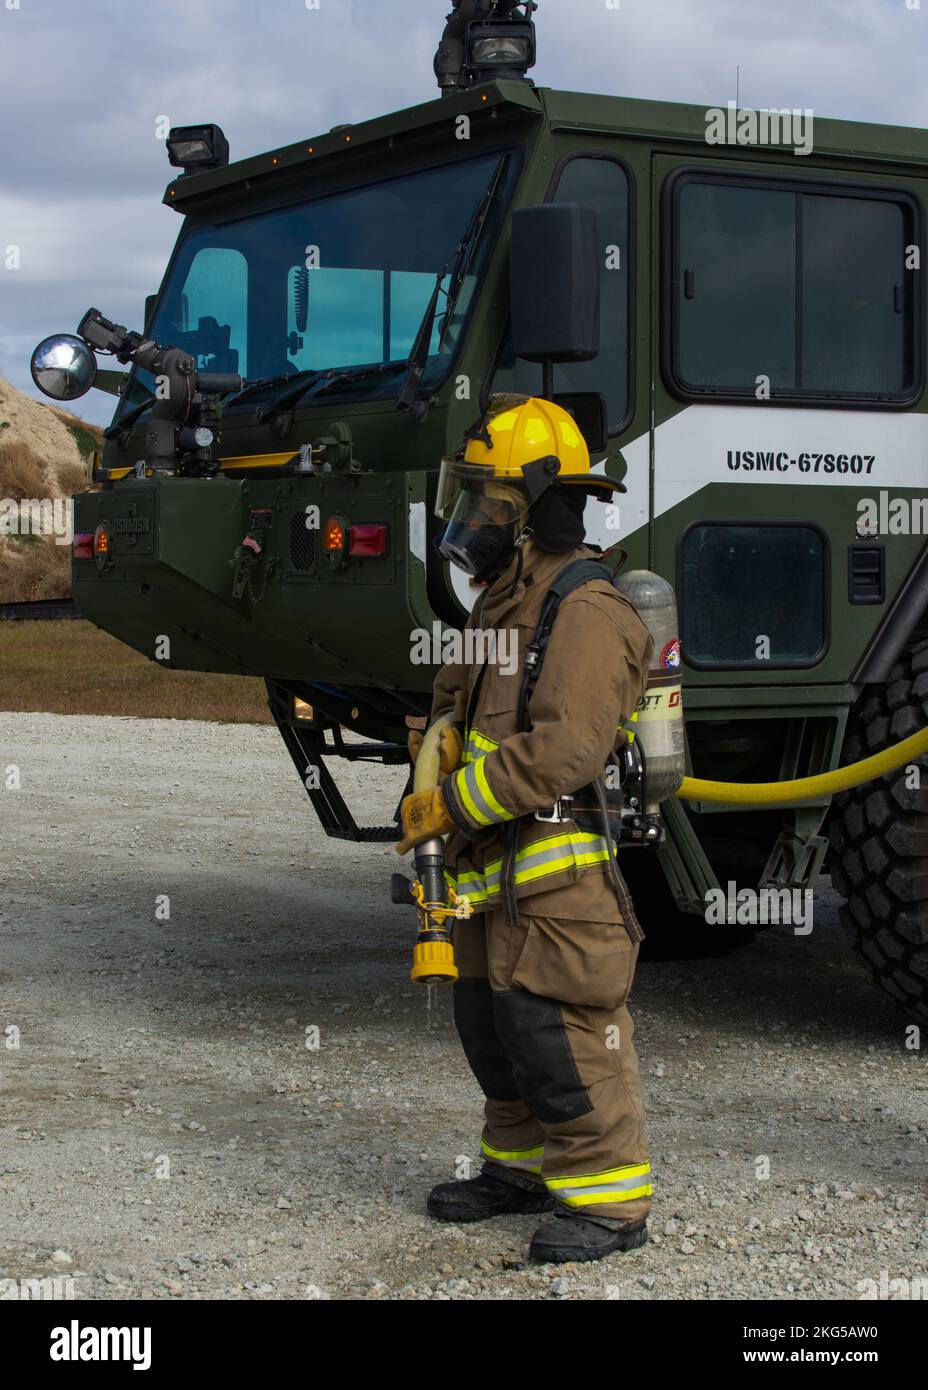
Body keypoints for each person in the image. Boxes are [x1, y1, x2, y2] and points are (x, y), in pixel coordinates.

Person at [396, 395, 655, 1264]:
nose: (473, 521)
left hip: (556, 875)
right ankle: (519, 1170)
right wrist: (424, 783)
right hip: (485, 872)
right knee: (493, 1026)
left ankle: (612, 1203)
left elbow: (570, 747)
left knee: (560, 1034)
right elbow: (447, 714)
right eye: (469, 499)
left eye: (492, 504)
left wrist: (459, 803)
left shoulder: (585, 609)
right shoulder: (499, 603)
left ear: (542, 507)